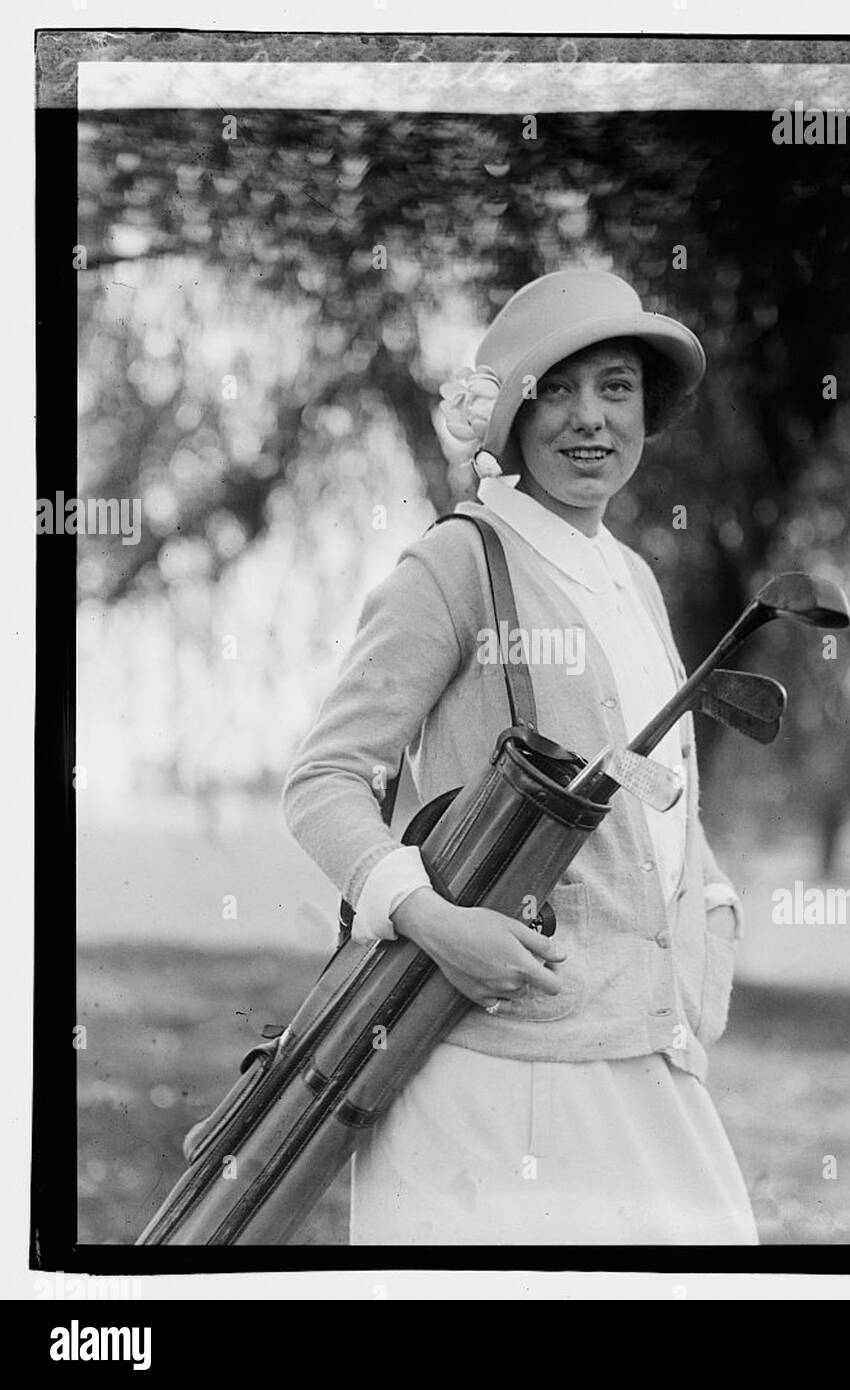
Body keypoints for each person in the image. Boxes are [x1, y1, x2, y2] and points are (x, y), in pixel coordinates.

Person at [282, 269, 759, 1245]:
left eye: (617, 386)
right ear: (506, 416)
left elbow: (660, 803)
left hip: (640, 1055)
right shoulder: (456, 562)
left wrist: (711, 918)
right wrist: (435, 922)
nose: (590, 420)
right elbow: (323, 783)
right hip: (488, 1068)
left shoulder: (631, 575)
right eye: (557, 390)